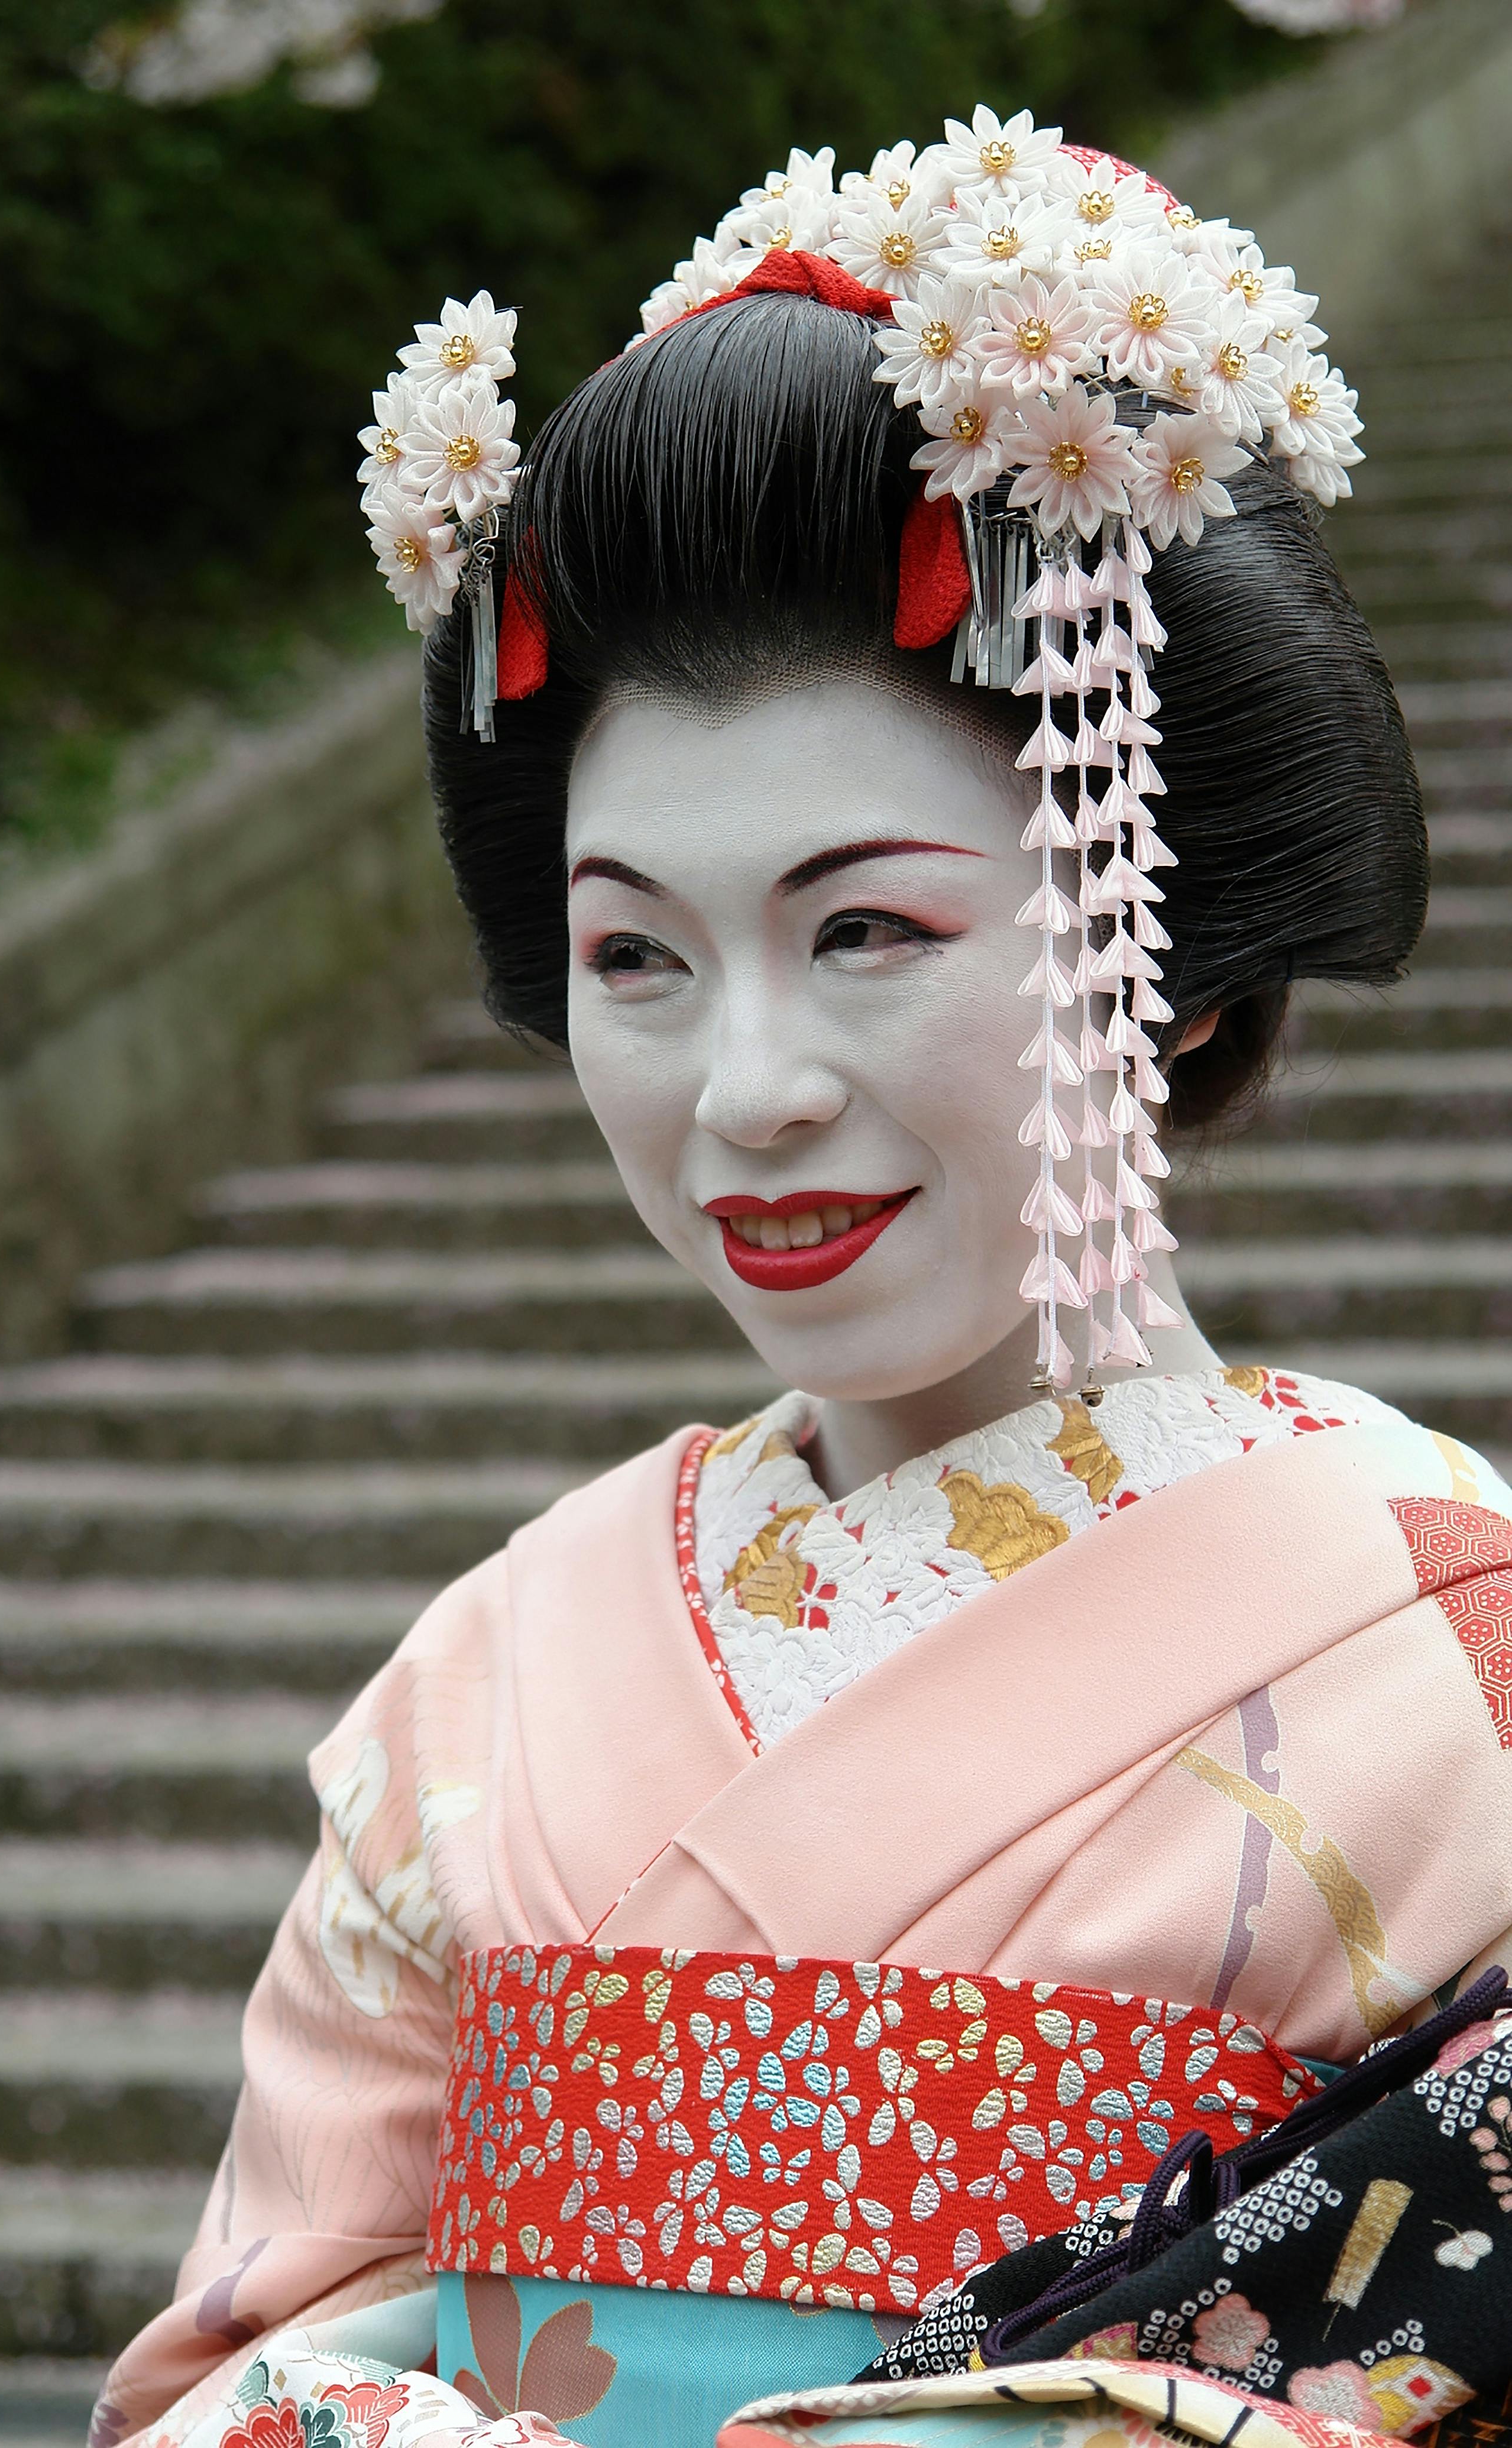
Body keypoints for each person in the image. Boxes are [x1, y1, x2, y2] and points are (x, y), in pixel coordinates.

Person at [93, 111, 1512, 2448]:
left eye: (866, 929)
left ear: (1159, 959)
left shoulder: (1459, 1646)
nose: (745, 1089)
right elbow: (237, 2362)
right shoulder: (494, 1673)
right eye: (634, 956)